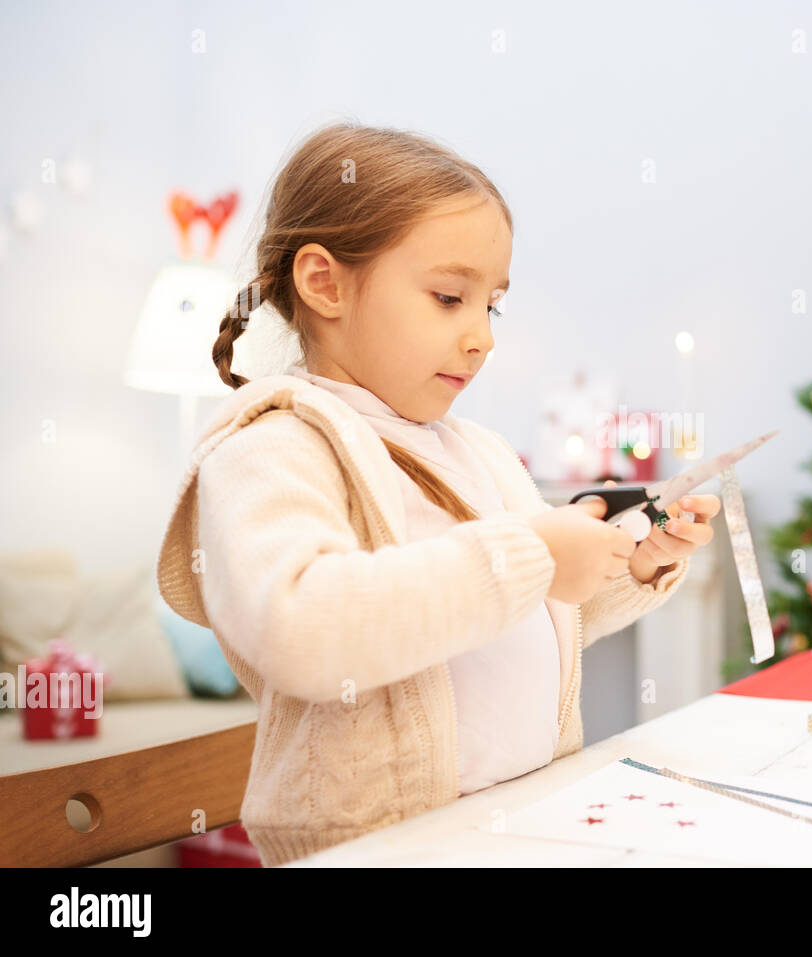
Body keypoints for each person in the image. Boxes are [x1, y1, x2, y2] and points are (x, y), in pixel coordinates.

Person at [155, 122, 718, 866]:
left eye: (493, 305)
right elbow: (304, 628)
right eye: (450, 296)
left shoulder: (477, 450)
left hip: (522, 821)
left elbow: (529, 615)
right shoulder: (270, 447)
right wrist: (536, 554)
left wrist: (631, 560)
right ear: (324, 283)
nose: (482, 335)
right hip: (376, 847)